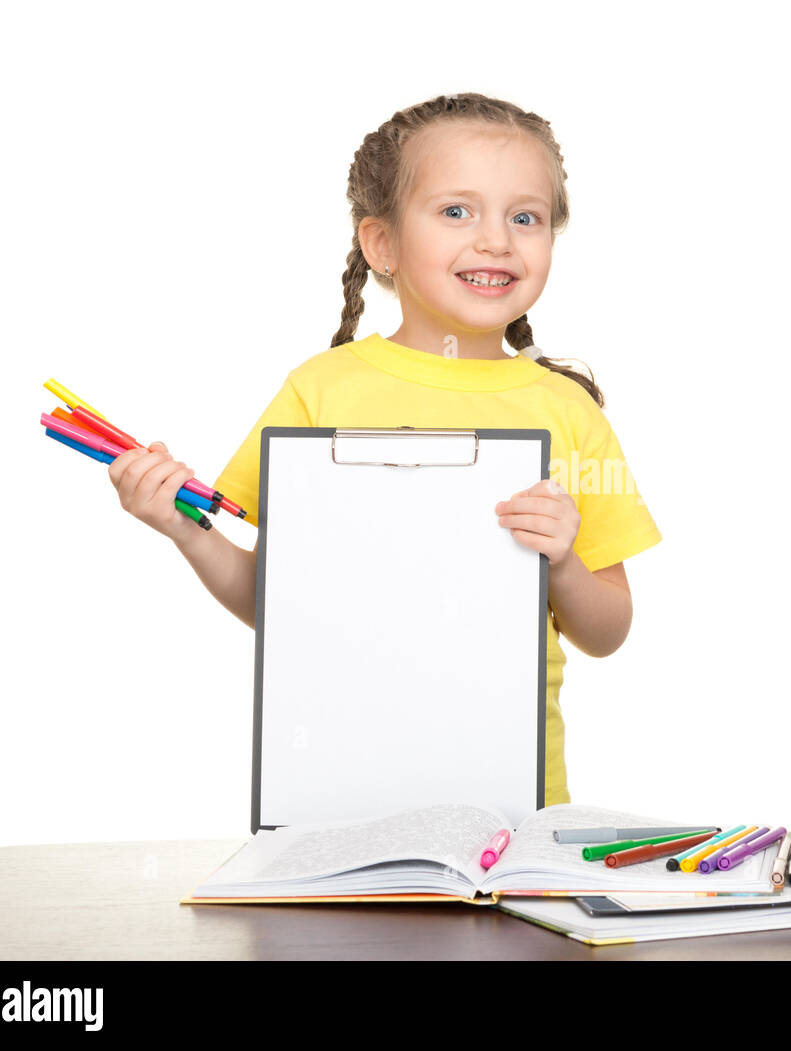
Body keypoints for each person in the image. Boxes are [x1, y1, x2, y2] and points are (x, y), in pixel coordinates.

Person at [106, 92, 662, 806]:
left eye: (525, 217)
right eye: (457, 210)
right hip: (330, 797)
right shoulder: (319, 391)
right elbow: (272, 602)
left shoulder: (567, 411)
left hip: (514, 815)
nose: (497, 239)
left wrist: (564, 563)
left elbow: (608, 629)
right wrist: (186, 528)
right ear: (382, 245)